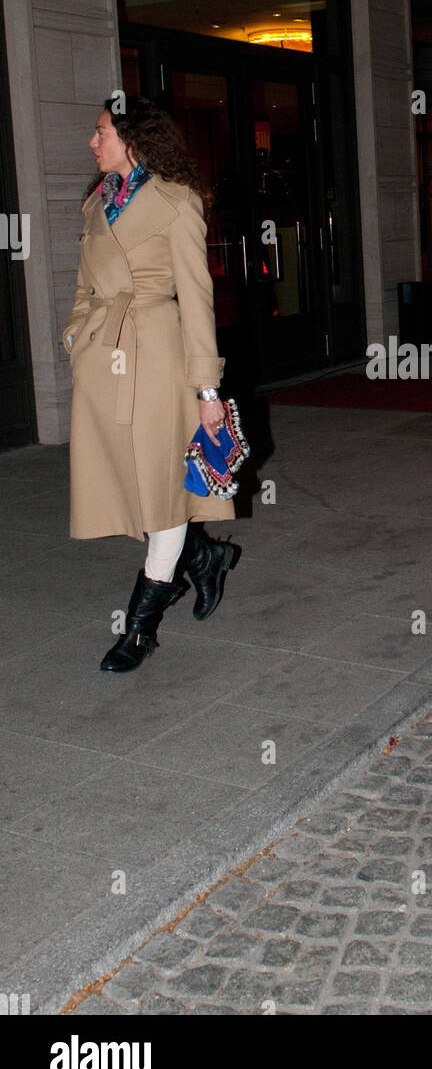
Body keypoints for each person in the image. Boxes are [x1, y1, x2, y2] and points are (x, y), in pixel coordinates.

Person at [63, 95, 240, 673]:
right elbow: (85, 287)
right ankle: (205, 554)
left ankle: (138, 630)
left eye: (101, 133)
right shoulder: (96, 204)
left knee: (160, 491)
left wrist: (207, 389)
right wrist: (74, 337)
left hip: (159, 356)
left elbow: (197, 298)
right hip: (103, 360)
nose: (93, 143)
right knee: (131, 486)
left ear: (133, 138)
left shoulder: (176, 201)